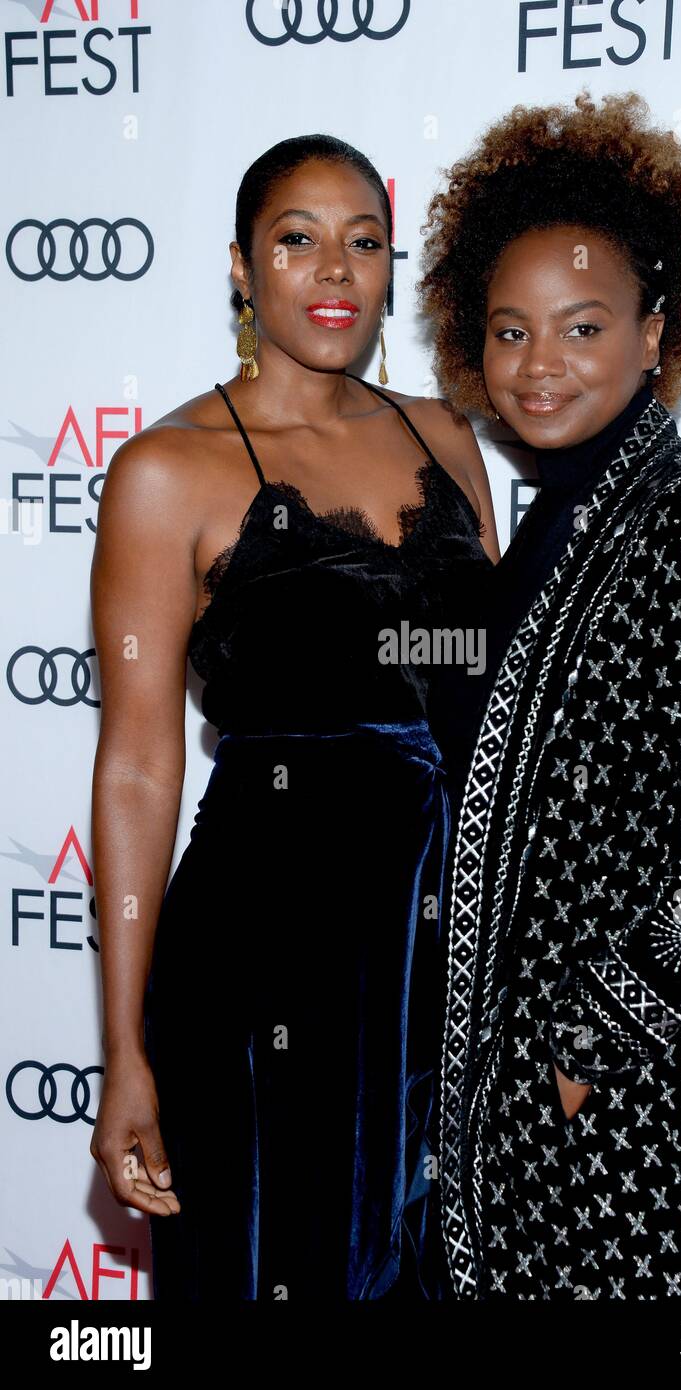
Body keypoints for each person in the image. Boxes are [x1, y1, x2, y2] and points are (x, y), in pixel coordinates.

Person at [420, 91, 681, 1300]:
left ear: (656, 332)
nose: (538, 367)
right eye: (509, 331)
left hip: (651, 1126)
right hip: (509, 1123)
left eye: (580, 327)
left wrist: (591, 1041)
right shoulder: (537, 529)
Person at [89, 134, 498, 1301]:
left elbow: (496, 695)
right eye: (296, 241)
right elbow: (135, 769)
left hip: (440, 941)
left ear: (389, 268)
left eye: (362, 243)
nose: (333, 272)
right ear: (240, 267)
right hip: (266, 946)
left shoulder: (448, 436)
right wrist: (123, 1050)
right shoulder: (168, 469)